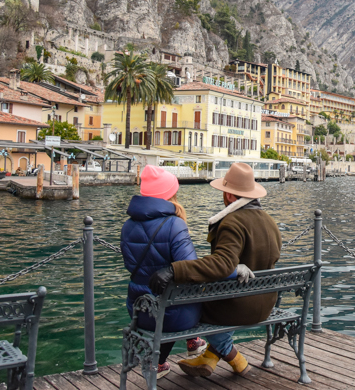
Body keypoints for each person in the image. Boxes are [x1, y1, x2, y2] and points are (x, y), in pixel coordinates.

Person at [149, 162, 282, 378]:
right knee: (215, 298)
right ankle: (209, 359)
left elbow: (223, 264)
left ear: (230, 196)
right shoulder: (269, 221)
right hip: (266, 302)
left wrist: (174, 270)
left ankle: (236, 359)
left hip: (239, 306)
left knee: (189, 307)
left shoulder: (232, 222)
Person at [121, 166, 253, 379]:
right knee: (201, 299)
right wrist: (233, 269)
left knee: (171, 298)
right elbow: (191, 268)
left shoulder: (127, 225)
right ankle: (204, 346)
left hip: (138, 310)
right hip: (175, 316)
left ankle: (174, 356)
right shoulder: (174, 224)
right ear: (169, 194)